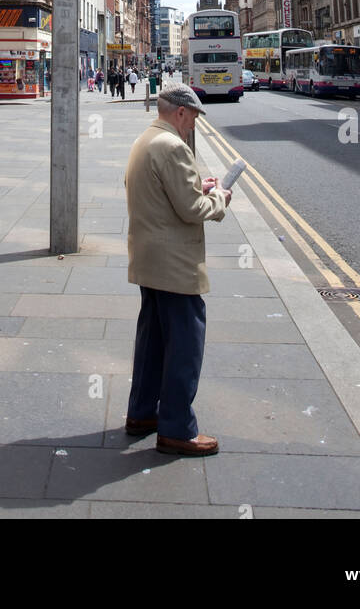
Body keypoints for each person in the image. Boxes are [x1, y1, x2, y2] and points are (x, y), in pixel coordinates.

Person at [124, 83, 232, 456]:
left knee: (152, 341)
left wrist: (195, 186)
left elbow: (166, 193)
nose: (193, 126)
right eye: (193, 118)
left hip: (149, 259)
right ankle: (177, 429)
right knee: (185, 344)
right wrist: (219, 197)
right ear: (181, 112)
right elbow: (193, 210)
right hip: (173, 264)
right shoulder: (173, 147)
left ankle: (142, 413)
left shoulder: (147, 139)